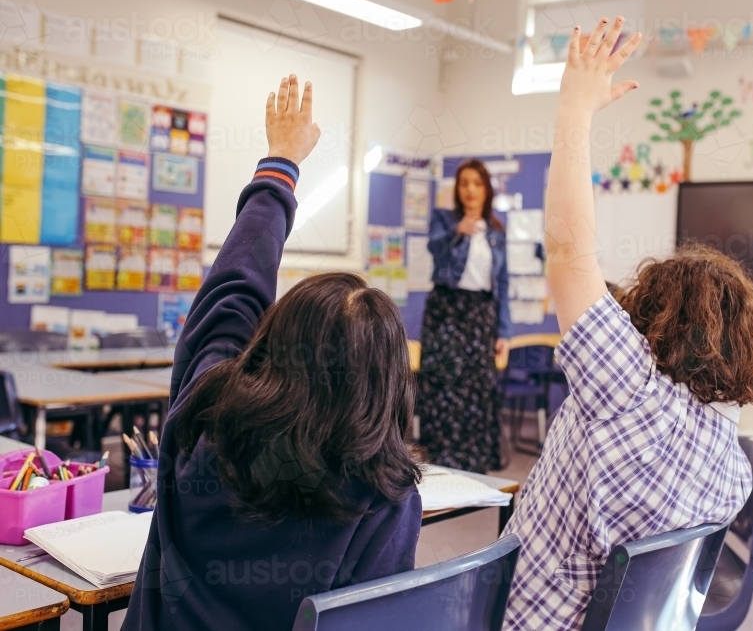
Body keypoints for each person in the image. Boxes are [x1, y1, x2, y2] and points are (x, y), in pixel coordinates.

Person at [501, 17, 753, 631]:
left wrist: (574, 110)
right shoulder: (730, 468)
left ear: (648, 324)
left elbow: (569, 254)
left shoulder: (627, 392)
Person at [122, 75, 423, 631]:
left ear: (273, 340)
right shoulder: (385, 496)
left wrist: (280, 162)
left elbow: (233, 288)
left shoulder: (203, 418)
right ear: (387, 385)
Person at [417, 159, 511, 473]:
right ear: (457, 189)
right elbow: (435, 250)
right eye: (464, 183)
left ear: (486, 189)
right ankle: (442, 459)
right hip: (447, 310)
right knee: (445, 383)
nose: (470, 189)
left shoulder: (497, 230)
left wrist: (504, 332)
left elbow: (504, 282)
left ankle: (473, 460)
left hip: (481, 314)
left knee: (477, 385)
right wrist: (458, 232)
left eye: (477, 183)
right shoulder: (443, 219)